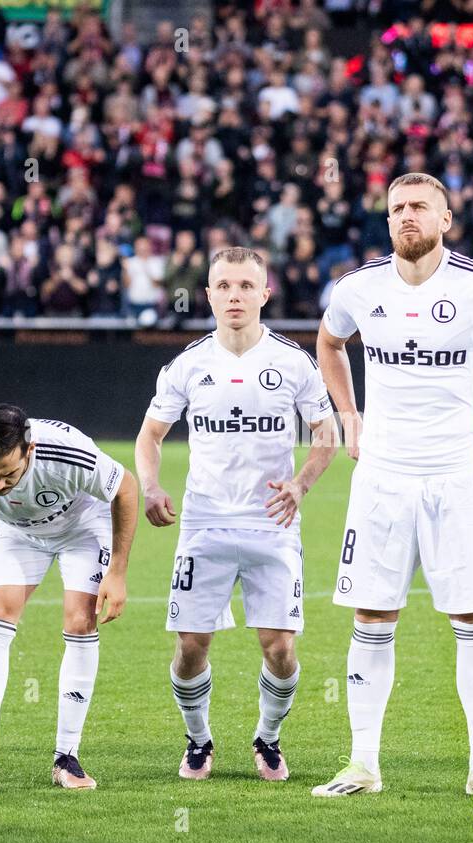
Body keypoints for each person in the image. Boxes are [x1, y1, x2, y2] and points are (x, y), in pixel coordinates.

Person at [313, 172, 473, 800]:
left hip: (453, 474)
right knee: (371, 615)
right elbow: (329, 342)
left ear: (447, 218)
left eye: (419, 207)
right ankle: (363, 764)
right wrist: (348, 415)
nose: (406, 217)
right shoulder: (359, 288)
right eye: (396, 209)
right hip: (382, 477)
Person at [136, 247, 337, 781]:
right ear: (208, 295)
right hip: (204, 525)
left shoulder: (293, 361)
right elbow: (150, 436)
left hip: (272, 524)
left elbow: (326, 433)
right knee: (191, 645)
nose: (235, 295)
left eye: (246, 286)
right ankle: (198, 739)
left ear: (265, 294)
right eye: (223, 285)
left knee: (280, 648)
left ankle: (267, 739)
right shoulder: (189, 364)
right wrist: (151, 485)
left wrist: (301, 483)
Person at [0, 405, 137, 790]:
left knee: (80, 620)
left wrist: (118, 573)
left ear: (30, 450)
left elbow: (126, 488)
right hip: (15, 532)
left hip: (82, 528)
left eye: (8, 473)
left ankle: (66, 758)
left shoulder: (68, 454)